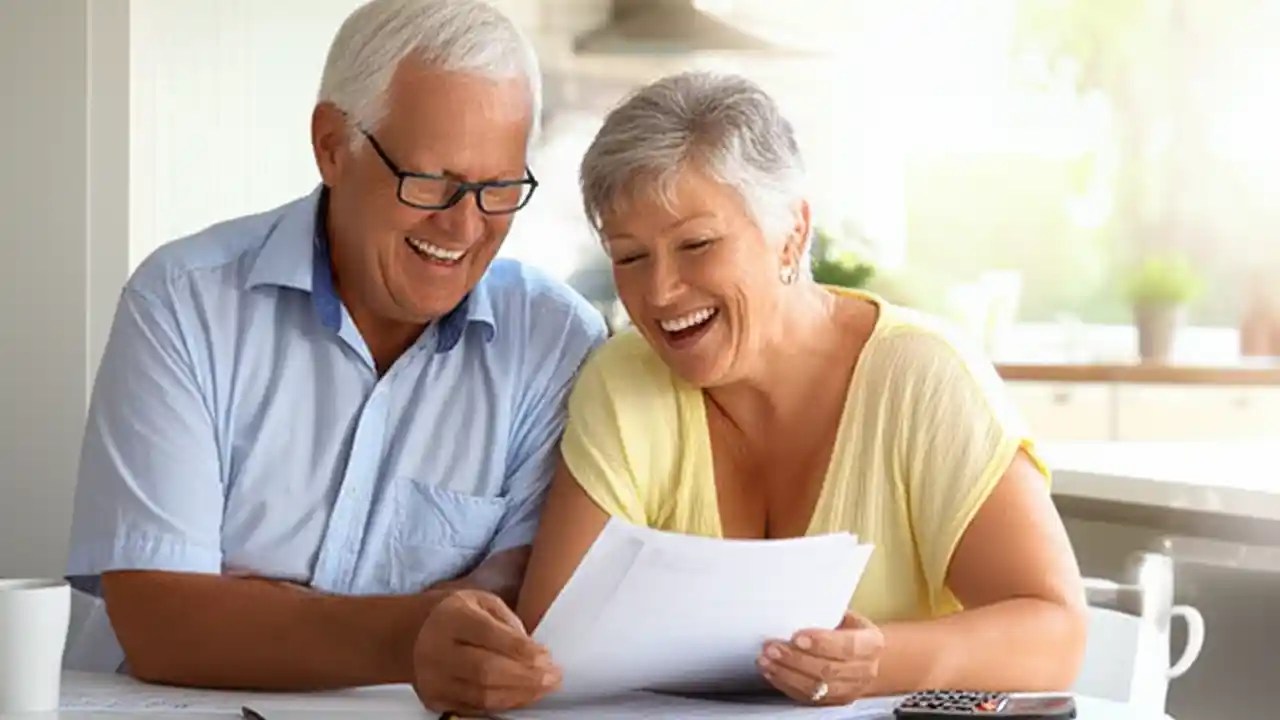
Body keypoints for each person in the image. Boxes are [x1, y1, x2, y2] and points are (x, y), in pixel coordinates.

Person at [65, 0, 605, 715]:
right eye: (432, 182)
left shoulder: (557, 341)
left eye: (499, 188)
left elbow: (532, 603)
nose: (465, 225)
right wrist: (416, 631)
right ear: (331, 145)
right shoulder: (184, 303)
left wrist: (258, 609)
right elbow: (161, 620)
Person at [517, 71, 1088, 706]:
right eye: (629, 257)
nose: (659, 292)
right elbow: (550, 646)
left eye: (697, 245)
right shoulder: (624, 381)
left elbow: (1055, 633)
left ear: (791, 232)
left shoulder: (923, 379)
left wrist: (879, 662)